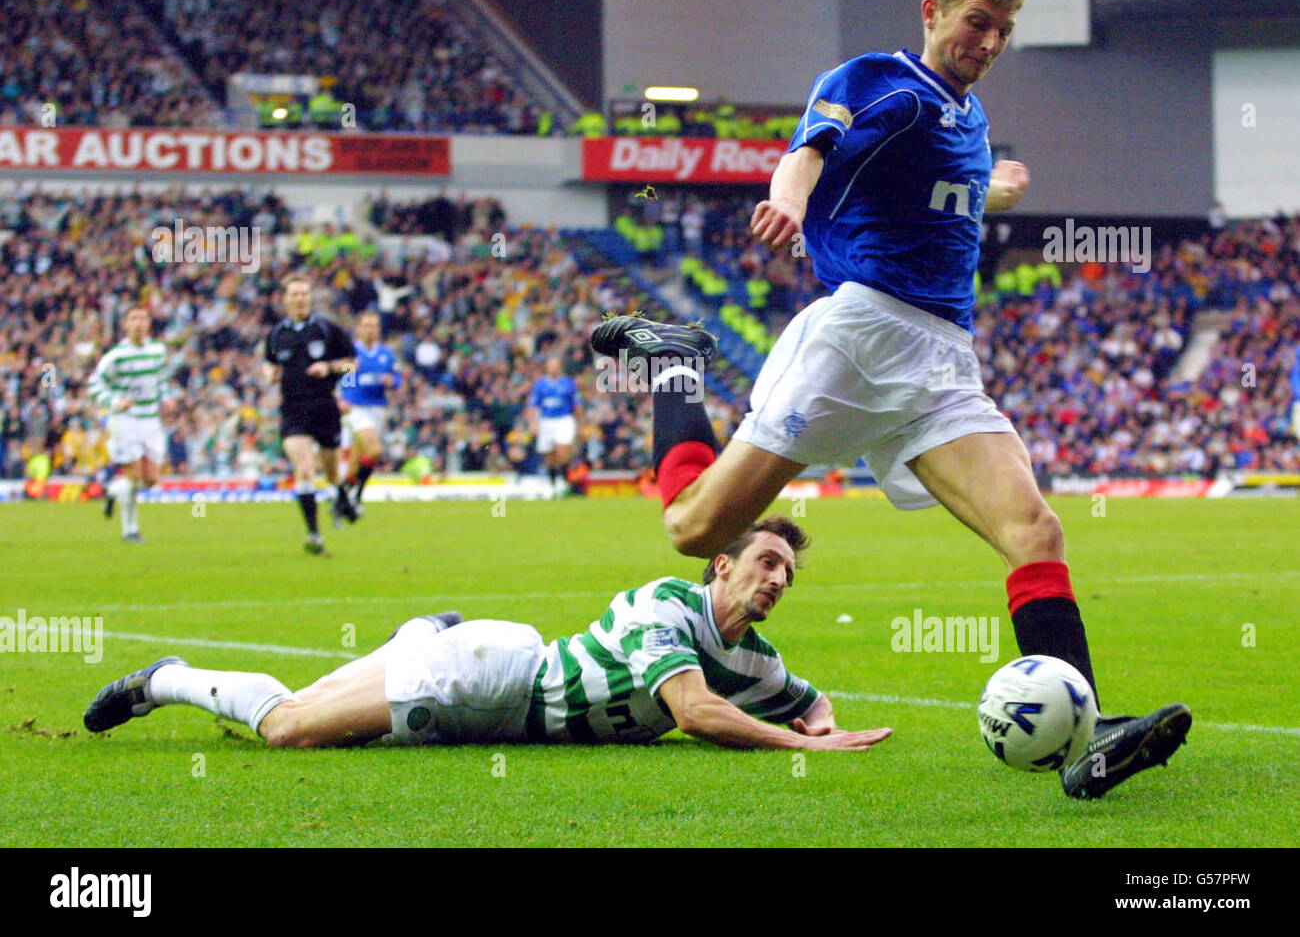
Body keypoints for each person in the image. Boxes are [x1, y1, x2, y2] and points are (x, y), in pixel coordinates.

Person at [591, 0, 1189, 799]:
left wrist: (999, 187)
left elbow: (950, 190)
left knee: (1036, 532)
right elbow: (810, 151)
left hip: (944, 358)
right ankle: (677, 367)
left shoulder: (967, 116)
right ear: (932, 10)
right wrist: (789, 201)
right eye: (975, 22)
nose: (987, 42)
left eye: (1003, 32)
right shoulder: (882, 81)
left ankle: (1085, 728)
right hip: (862, 334)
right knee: (694, 531)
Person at [83, 517, 891, 752]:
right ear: (722, 565)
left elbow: (807, 699)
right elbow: (692, 712)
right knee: (292, 728)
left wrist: (819, 720)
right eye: (767, 561)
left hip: (500, 704)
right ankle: (166, 679)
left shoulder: (757, 658)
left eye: (789, 572)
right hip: (497, 678)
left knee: (320, 712)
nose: (778, 579)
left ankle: (415, 633)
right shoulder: (665, 606)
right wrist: (801, 748)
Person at [263, 274, 357, 554]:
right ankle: (314, 534)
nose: (300, 299)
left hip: (325, 407)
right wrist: (269, 373)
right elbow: (268, 364)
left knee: (331, 472)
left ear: (310, 298)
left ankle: (340, 495)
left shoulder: (327, 330)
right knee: (303, 469)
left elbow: (352, 365)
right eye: (295, 294)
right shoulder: (277, 334)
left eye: (304, 293)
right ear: (285, 299)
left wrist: (330, 371)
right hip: (293, 409)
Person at [86, 306, 171, 543]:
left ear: (149, 323)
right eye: (133, 318)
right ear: (125, 324)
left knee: (151, 479)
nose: (139, 323)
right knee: (134, 477)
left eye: (143, 318)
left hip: (151, 421)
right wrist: (114, 401)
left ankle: (112, 491)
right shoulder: (116, 355)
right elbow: (93, 384)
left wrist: (167, 397)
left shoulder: (157, 350)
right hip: (126, 421)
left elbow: (161, 379)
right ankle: (130, 530)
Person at [338, 310, 402, 517]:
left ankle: (343, 498)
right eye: (366, 325)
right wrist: (345, 400)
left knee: (357, 461)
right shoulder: (351, 352)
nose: (370, 330)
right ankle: (358, 495)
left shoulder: (387, 354)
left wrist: (392, 381)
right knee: (374, 450)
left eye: (374, 326)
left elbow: (397, 377)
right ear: (358, 329)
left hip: (378, 409)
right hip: (356, 408)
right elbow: (346, 382)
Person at [527, 356, 582, 496]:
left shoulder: (569, 383)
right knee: (550, 456)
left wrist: (579, 425)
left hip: (564, 419)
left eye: (556, 366)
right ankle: (553, 483)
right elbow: (533, 405)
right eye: (551, 366)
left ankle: (564, 480)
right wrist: (533, 423)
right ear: (547, 368)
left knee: (563, 451)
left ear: (560, 367)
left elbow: (577, 406)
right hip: (546, 421)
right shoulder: (539, 385)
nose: (554, 368)